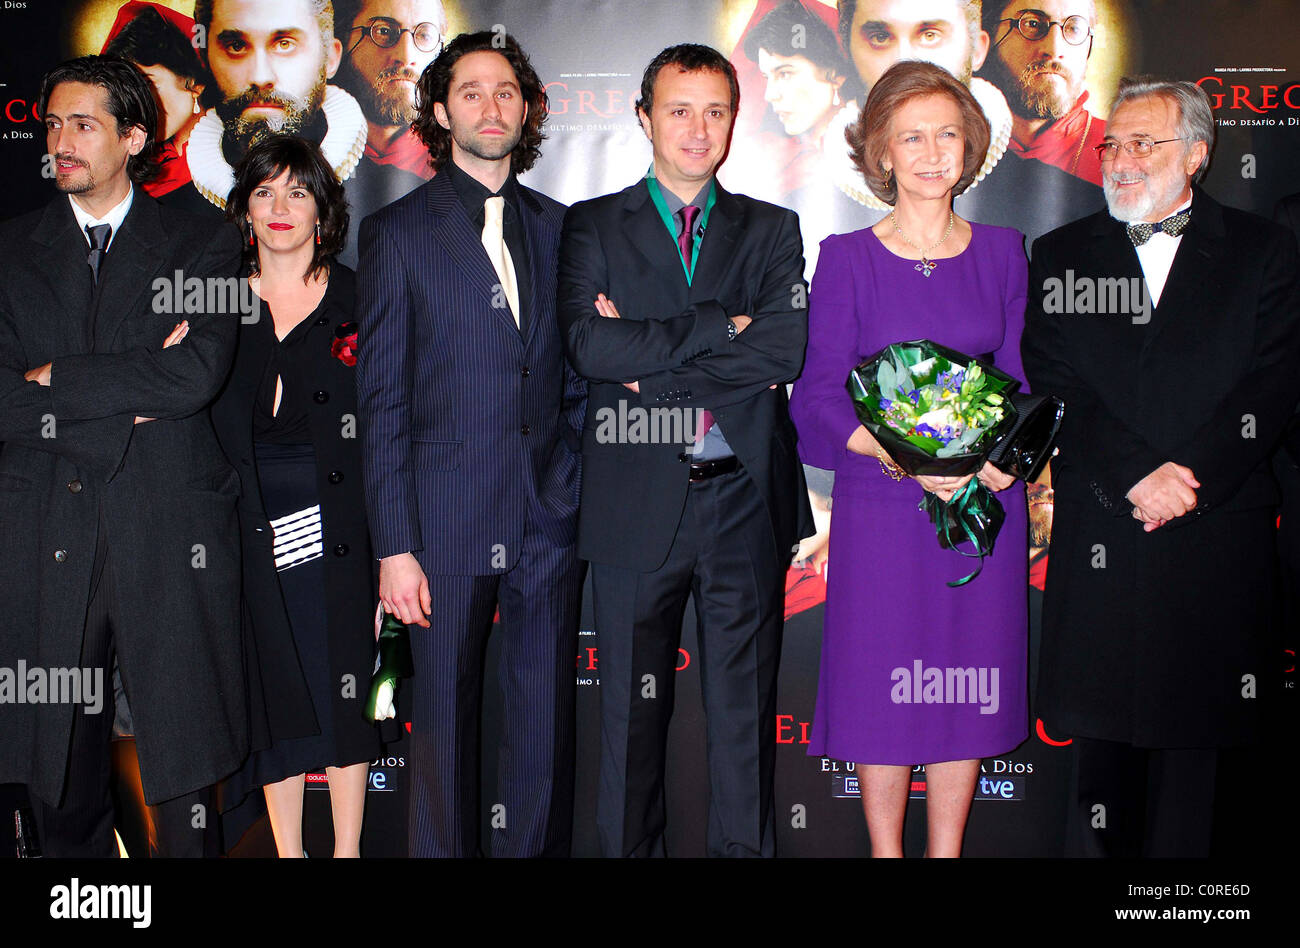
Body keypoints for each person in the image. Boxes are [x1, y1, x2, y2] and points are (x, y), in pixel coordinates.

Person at [1020, 78, 1300, 857]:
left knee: (1202, 790)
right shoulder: (1063, 253)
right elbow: (1054, 379)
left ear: (1199, 155)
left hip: (1218, 538)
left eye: (1147, 143)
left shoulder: (1265, 250)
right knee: (1101, 776)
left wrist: (1190, 479)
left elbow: (1275, 382)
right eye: (1115, 143)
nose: (1123, 160)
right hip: (1107, 531)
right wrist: (1139, 473)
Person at [559, 44, 814, 858]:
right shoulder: (591, 223)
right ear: (643, 118)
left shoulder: (772, 228)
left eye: (715, 111)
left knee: (744, 719)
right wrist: (717, 326)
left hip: (744, 498)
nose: (698, 129)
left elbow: (784, 349)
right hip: (637, 499)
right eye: (679, 109)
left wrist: (655, 370)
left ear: (735, 121)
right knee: (629, 728)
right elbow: (588, 350)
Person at [0, 55, 244, 857]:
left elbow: (194, 375)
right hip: (44, 530)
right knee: (57, 775)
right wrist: (129, 394)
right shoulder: (10, 250)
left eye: (84, 125)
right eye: (53, 124)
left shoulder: (205, 238)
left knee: (184, 778)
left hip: (167, 531)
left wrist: (57, 380)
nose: (60, 142)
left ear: (134, 136)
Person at [789, 59, 1030, 857]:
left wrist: (1000, 462)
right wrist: (902, 453)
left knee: (965, 681)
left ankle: (945, 853)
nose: (933, 153)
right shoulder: (848, 258)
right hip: (884, 508)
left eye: (948, 135)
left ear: (970, 146)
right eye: (912, 138)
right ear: (882, 153)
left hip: (979, 513)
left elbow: (1023, 387)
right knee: (882, 685)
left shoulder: (1003, 253)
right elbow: (817, 398)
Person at [356, 31, 585, 858]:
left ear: (526, 110)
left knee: (542, 736)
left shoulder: (564, 230)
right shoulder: (397, 233)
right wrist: (395, 546)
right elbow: (380, 401)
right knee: (442, 734)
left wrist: (571, 484)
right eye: (472, 91)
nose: (491, 106)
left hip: (547, 519)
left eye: (506, 92)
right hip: (442, 526)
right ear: (443, 110)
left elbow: (579, 376)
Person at [209, 135, 380, 858]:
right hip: (243, 532)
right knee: (271, 694)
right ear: (244, 207)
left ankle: (345, 852)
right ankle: (289, 852)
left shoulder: (362, 297)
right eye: (264, 193)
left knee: (343, 697)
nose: (281, 209)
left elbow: (391, 426)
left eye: (298, 192)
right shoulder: (211, 298)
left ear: (323, 208)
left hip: (341, 531)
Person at [828, 0, 1100, 243]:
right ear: (845, 49)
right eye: (880, 37)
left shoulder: (1080, 208)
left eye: (930, 35)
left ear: (978, 49)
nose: (905, 62)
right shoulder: (813, 209)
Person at [185, 0, 422, 266]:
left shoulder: (412, 208)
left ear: (330, 58)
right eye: (236, 46)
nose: (261, 76)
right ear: (205, 59)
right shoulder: (174, 213)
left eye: (285, 43)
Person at [734, 1, 857, 200]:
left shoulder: (867, 156)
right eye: (766, 77)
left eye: (785, 74)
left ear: (834, 75)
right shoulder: (779, 166)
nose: (770, 94)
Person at [978, 0, 1107, 184]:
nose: (1054, 50)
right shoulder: (947, 146)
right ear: (989, 38)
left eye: (1074, 28)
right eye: (1032, 24)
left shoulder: (1125, 155)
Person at [101, 1, 212, 199]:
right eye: (127, 89)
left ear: (193, 83)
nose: (137, 102)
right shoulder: (130, 171)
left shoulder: (232, 150)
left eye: (148, 84)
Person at [333, 0, 446, 180]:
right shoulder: (306, 152)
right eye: (383, 31)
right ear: (342, 41)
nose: (406, 57)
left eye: (424, 35)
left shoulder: (459, 164)